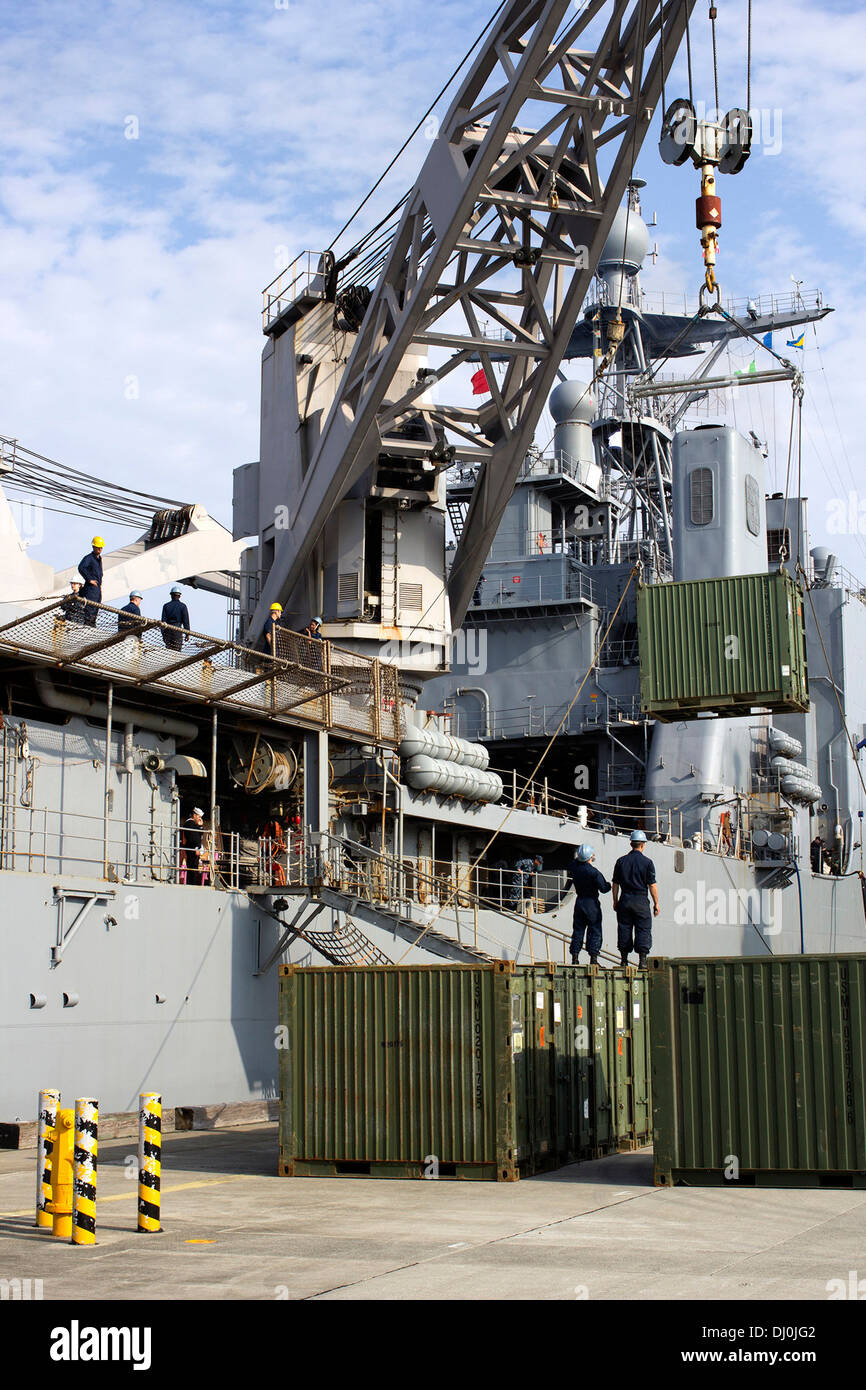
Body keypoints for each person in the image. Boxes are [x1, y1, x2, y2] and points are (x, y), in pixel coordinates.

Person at [612, 830, 659, 968]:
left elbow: (615, 884)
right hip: (641, 900)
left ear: (631, 843)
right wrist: (656, 903)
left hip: (625, 899)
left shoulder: (620, 861)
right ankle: (642, 961)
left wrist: (615, 901)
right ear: (643, 845)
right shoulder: (648, 863)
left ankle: (624, 960)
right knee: (643, 929)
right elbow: (652, 885)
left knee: (624, 928)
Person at [569, 844, 611, 966]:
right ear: (590, 856)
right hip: (591, 903)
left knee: (578, 930)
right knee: (595, 930)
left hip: (579, 902)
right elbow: (603, 888)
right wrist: (609, 884)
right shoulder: (594, 872)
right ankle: (593, 959)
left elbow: (574, 862)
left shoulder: (574, 868)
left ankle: (575, 958)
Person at [77, 536, 104, 626]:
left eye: (101, 547)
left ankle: (92, 625)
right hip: (91, 589)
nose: (100, 549)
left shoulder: (99, 559)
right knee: (90, 609)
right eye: (98, 547)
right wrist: (89, 580)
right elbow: (81, 567)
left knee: (96, 608)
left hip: (97, 589)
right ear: (94, 547)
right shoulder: (89, 558)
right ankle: (88, 625)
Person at [181, 807, 208, 886]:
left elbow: (198, 835)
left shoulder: (193, 824)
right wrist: (196, 848)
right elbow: (194, 838)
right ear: (194, 815)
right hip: (192, 849)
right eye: (199, 817)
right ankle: (191, 883)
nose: (200, 819)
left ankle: (192, 883)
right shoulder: (190, 824)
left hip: (194, 849)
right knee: (192, 867)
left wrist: (200, 826)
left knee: (194, 867)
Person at [160, 586, 190, 650]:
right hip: (178, 631)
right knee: (177, 650)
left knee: (168, 650)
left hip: (167, 629)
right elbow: (186, 621)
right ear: (179, 596)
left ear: (171, 595)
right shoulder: (183, 606)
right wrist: (187, 634)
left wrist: (163, 634)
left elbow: (163, 621)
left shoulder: (166, 606)